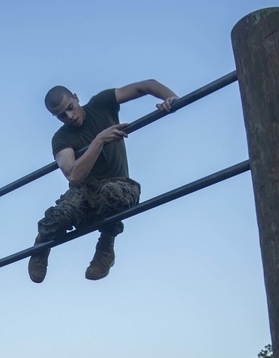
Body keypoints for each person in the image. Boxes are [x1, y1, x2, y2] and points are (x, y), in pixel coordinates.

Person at [27, 80, 178, 283]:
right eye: (61, 115)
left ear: (76, 97)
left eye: (70, 108)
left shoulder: (101, 103)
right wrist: (99, 141)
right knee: (58, 216)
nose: (69, 116)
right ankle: (42, 246)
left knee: (112, 193)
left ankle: (106, 246)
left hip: (119, 184)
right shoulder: (61, 138)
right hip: (84, 191)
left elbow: (147, 85)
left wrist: (170, 98)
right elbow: (73, 175)